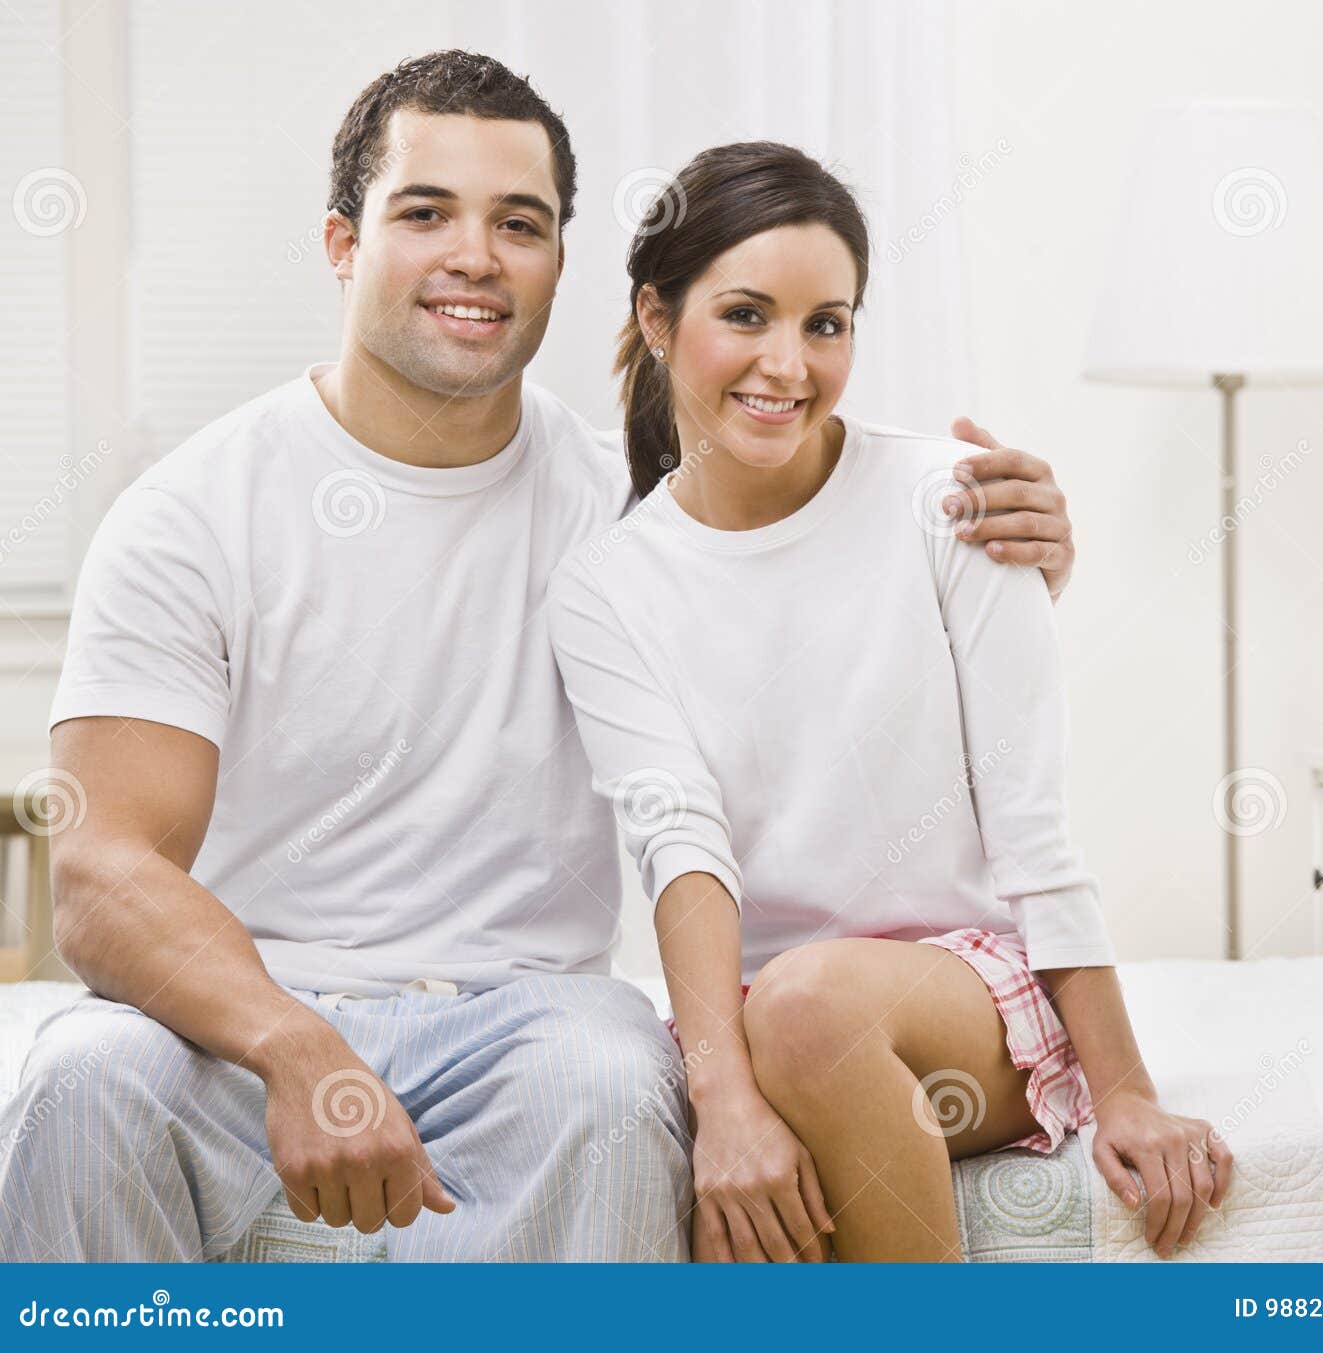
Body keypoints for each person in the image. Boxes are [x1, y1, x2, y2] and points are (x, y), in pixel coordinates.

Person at [0, 53, 1078, 1261]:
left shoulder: (629, 513)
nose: (475, 256)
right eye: (425, 214)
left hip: (529, 1024)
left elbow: (839, 637)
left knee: (613, 1090)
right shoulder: (191, 512)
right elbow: (101, 877)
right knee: (79, 1079)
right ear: (342, 243)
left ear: (562, 265)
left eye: (519, 223)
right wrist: (293, 1044)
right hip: (238, 1021)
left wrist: (1016, 554)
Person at [548, 141, 1232, 1264]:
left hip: (968, 1001)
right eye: (747, 315)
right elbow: (678, 843)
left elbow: (1031, 821)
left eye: (827, 322)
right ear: (658, 320)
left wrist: (1129, 1091)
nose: (789, 362)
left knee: (810, 1005)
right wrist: (725, 1103)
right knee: (764, 1102)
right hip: (768, 1023)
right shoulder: (607, 588)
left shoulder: (951, 503)